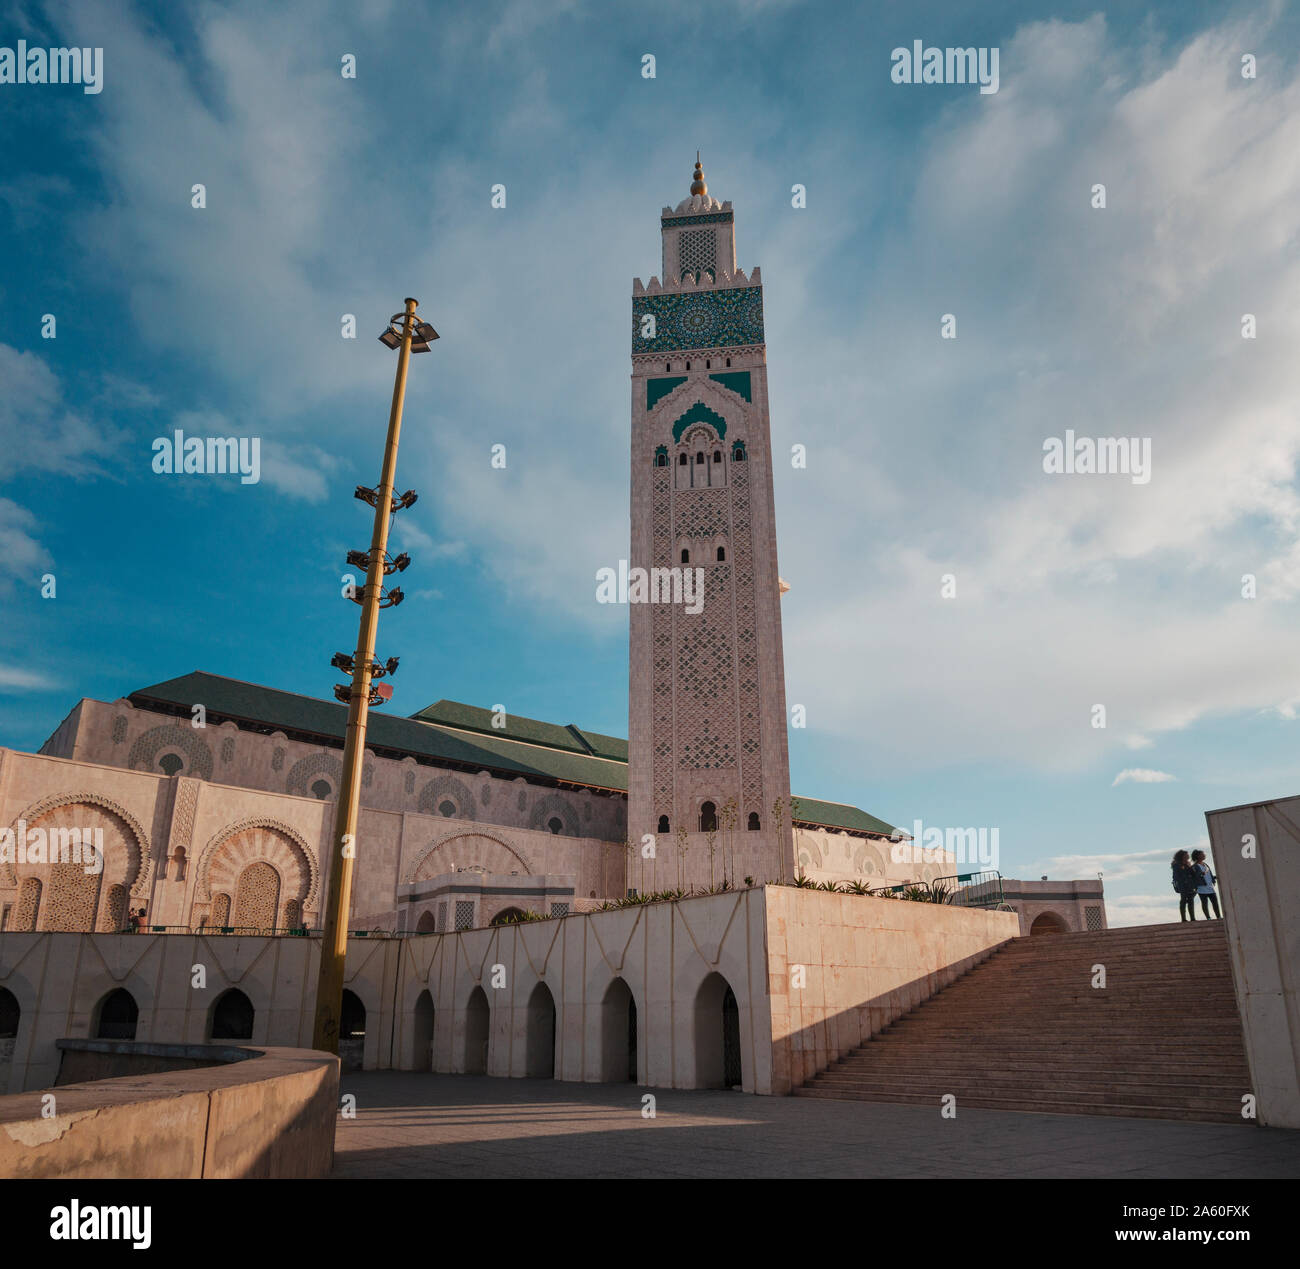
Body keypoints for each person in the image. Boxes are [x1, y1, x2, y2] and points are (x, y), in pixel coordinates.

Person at [1191, 849, 1220, 919]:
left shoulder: (1205, 864)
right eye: (1202, 854)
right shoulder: (1195, 866)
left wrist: (1214, 878)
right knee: (1204, 903)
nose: (1204, 855)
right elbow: (1195, 876)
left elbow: (1209, 875)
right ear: (1198, 856)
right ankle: (1208, 917)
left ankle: (1218, 916)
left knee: (1215, 903)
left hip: (1210, 887)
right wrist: (1201, 874)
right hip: (1202, 888)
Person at [1171, 849, 1199, 921]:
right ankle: (1183, 919)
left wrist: (1190, 867)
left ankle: (1192, 918)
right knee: (1183, 900)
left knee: (1191, 900)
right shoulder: (1176, 864)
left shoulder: (1188, 864)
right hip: (1182, 885)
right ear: (1182, 856)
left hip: (1190, 885)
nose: (1188, 856)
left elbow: (1193, 874)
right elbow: (1176, 876)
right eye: (1186, 855)